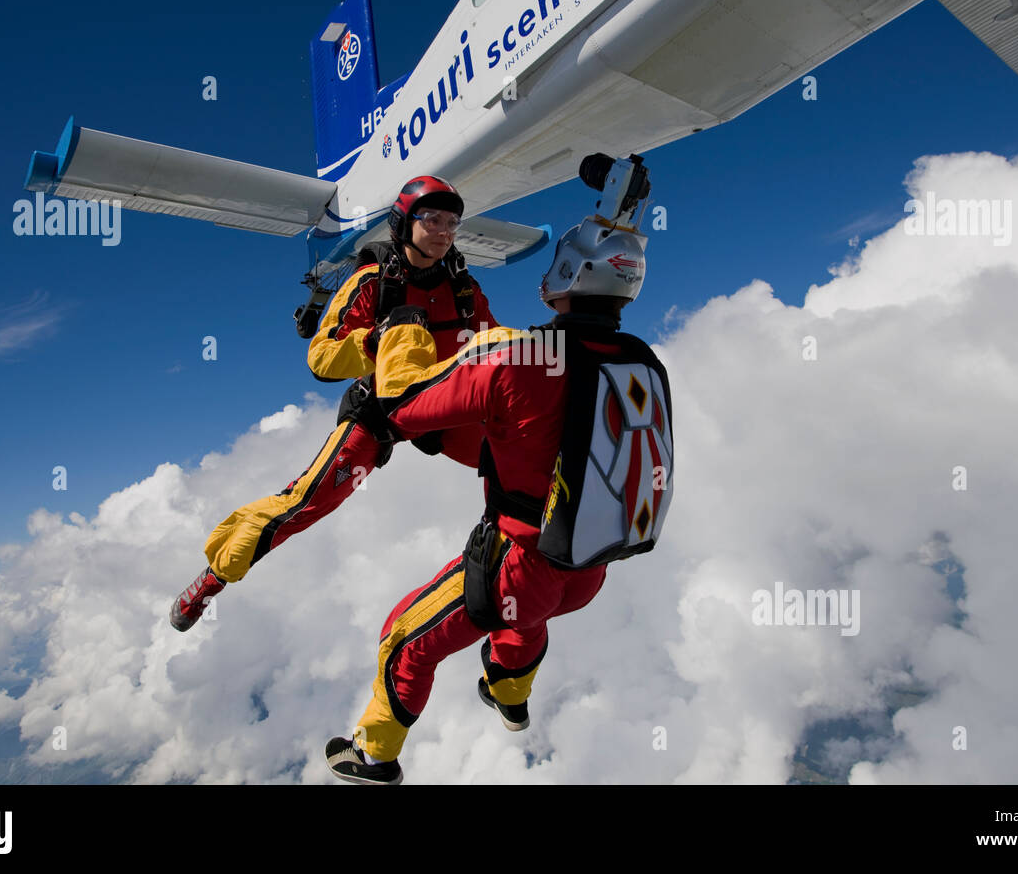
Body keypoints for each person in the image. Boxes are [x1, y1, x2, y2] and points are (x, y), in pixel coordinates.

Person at [324, 215, 674, 784]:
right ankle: (511, 699)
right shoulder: (641, 359)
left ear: (567, 273)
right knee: (523, 623)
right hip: (591, 562)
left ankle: (375, 758)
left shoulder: (515, 355)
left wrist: (404, 328)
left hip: (518, 566)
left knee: (402, 641)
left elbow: (405, 404)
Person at [169, 175, 498, 632]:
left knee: (522, 452)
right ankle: (214, 577)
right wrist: (375, 339)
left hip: (440, 408)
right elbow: (321, 359)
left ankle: (515, 563)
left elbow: (491, 347)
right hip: (380, 413)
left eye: (453, 223)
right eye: (432, 219)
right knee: (304, 504)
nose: (444, 231)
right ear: (404, 223)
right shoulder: (373, 280)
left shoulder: (463, 288)